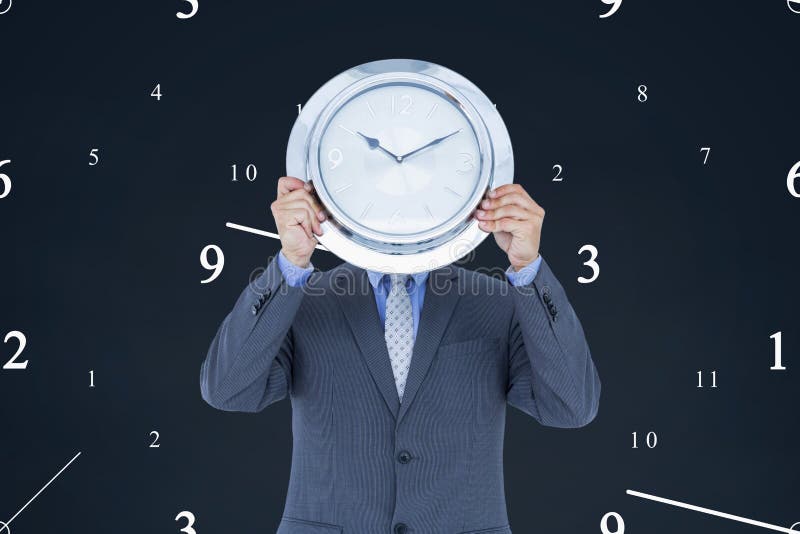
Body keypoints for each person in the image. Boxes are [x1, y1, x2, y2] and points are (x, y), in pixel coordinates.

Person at [200, 176, 601, 534]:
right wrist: (291, 261)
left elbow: (571, 406)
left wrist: (527, 267)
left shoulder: (497, 301)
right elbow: (228, 389)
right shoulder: (305, 299)